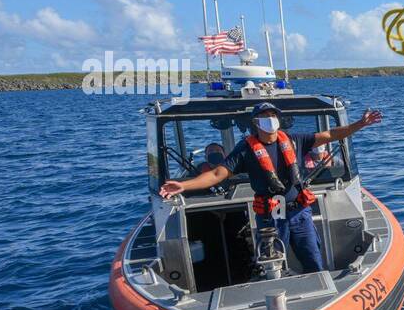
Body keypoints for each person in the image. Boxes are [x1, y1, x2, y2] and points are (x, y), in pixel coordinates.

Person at [159, 103, 383, 275]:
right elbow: (217, 174)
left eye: (273, 115)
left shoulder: (295, 140)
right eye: (264, 117)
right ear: (256, 122)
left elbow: (331, 135)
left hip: (300, 213)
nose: (270, 120)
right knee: (274, 264)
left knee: (314, 259)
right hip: (271, 218)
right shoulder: (245, 151)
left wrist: (359, 124)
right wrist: (183, 185)